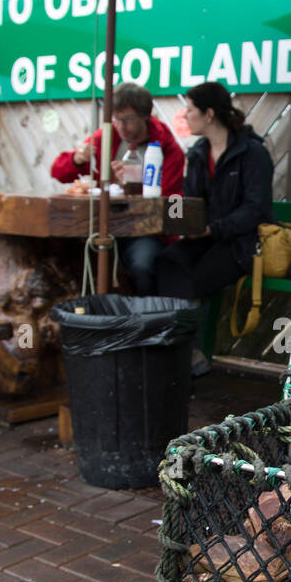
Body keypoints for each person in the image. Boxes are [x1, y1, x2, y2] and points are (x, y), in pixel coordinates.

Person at [156, 82, 274, 376]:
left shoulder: (252, 152)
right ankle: (189, 351)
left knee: (191, 277)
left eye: (191, 110)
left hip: (242, 243)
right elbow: (192, 201)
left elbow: (256, 210)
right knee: (165, 261)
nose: (185, 115)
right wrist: (177, 218)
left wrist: (212, 229)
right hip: (207, 239)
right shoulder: (197, 153)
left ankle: (184, 354)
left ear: (209, 114)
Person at [50, 82, 185, 295]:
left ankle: (146, 319)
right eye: (116, 118)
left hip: (143, 231)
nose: (121, 126)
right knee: (62, 259)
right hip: (101, 224)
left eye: (128, 120)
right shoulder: (107, 136)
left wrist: (135, 184)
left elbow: (171, 205)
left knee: (143, 266)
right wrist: (77, 159)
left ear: (145, 116)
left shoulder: (168, 149)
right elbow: (58, 172)